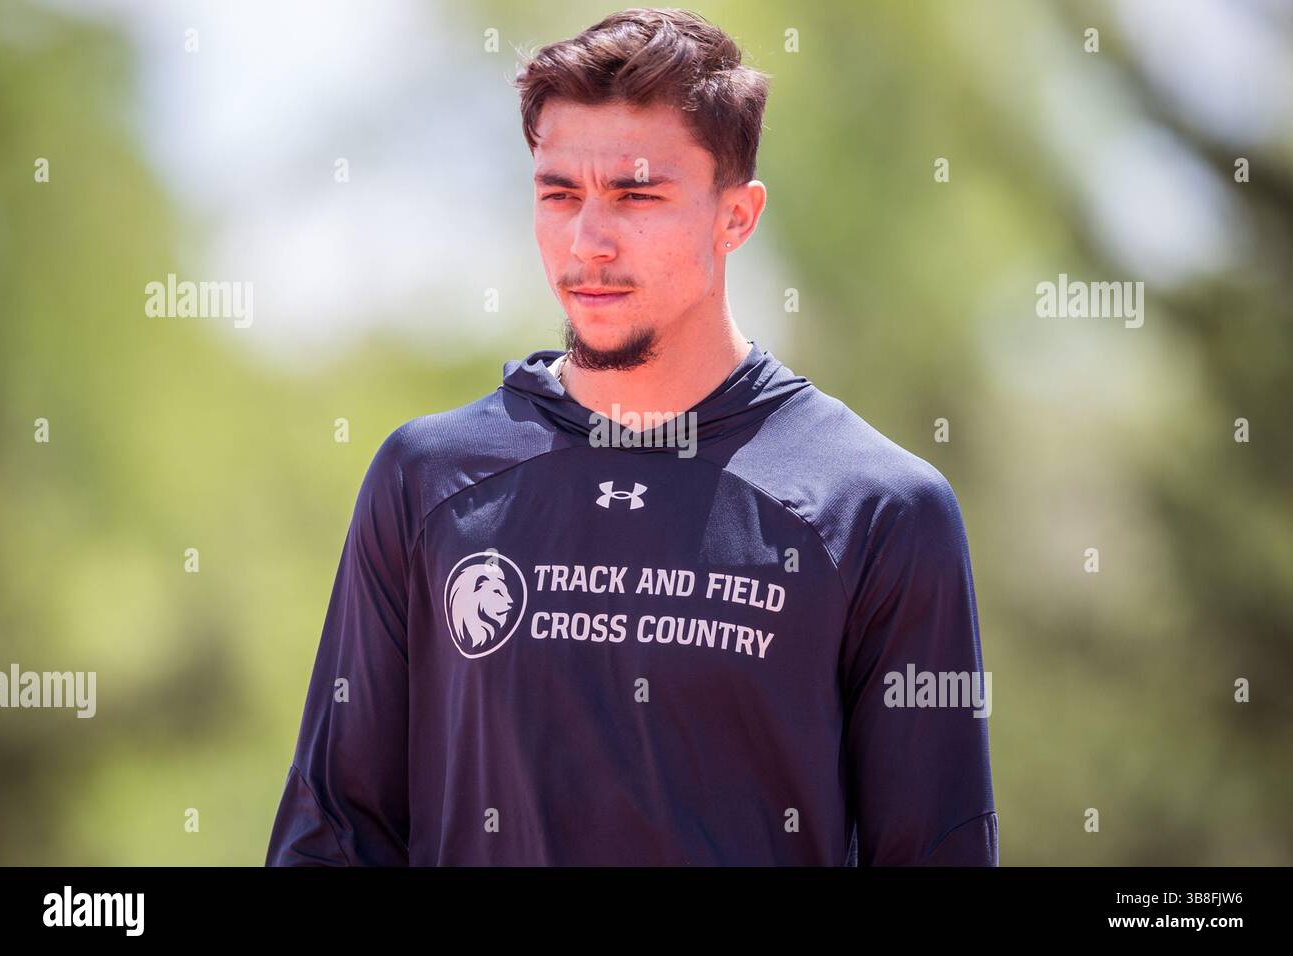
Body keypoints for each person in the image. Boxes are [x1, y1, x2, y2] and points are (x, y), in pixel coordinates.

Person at [265, 7, 997, 866]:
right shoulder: (425, 481)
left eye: (636, 194)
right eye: (559, 193)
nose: (589, 241)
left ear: (737, 216)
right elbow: (336, 834)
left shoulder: (879, 510)